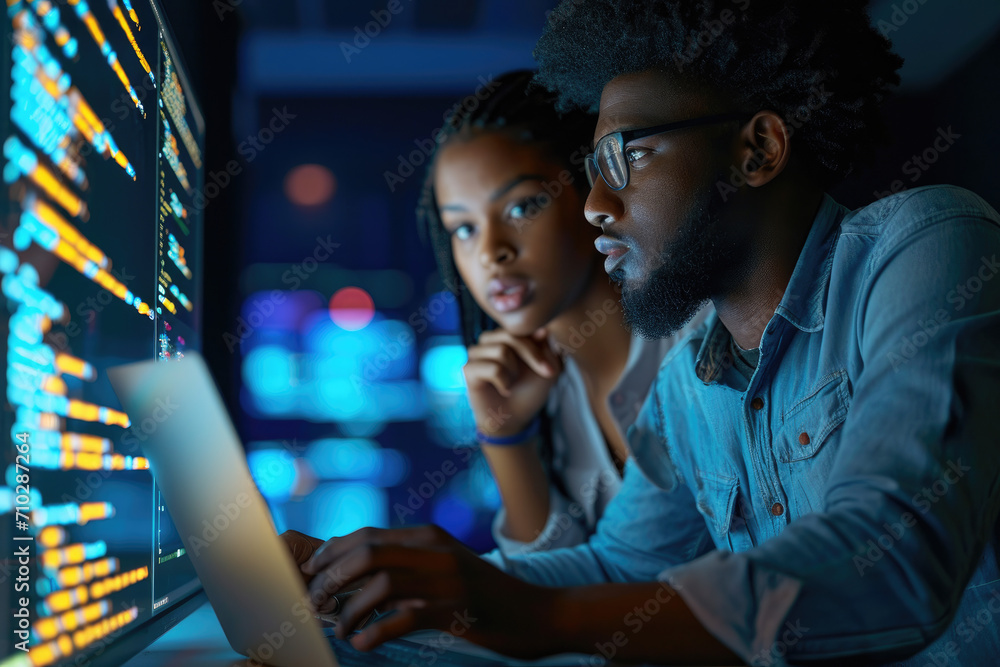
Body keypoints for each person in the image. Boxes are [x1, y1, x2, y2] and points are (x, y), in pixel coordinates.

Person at [282, 2, 1000, 665]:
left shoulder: (926, 246)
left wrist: (534, 612)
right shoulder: (691, 380)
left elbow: (897, 565)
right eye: (594, 169)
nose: (595, 203)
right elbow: (617, 568)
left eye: (625, 156)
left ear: (757, 149)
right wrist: (377, 586)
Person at [415, 70, 706, 557]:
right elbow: (548, 584)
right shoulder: (543, 396)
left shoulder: (700, 338)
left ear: (591, 190)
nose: (491, 252)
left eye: (522, 207)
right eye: (463, 229)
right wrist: (505, 436)